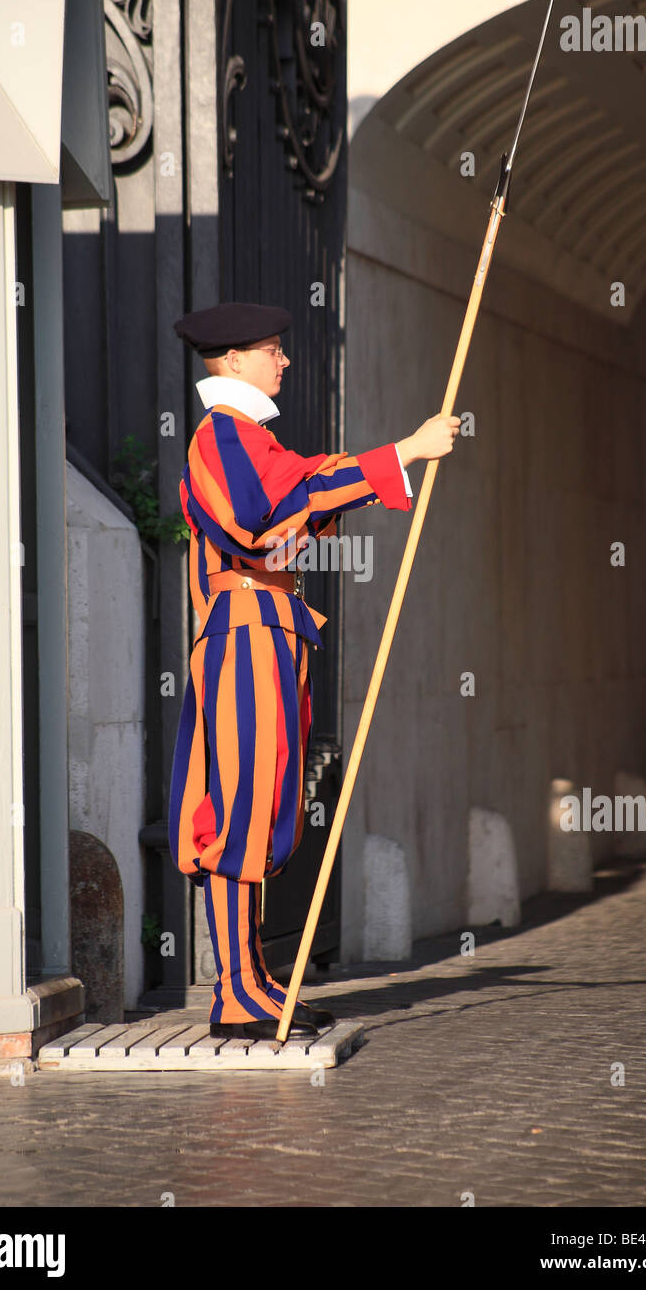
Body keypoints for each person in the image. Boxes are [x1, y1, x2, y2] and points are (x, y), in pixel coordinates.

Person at [168, 302, 460, 1039]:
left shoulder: (250, 440)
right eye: (271, 349)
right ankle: (235, 993)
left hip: (268, 630)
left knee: (264, 808)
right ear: (232, 360)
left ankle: (254, 978)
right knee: (240, 812)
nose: (284, 360)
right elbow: (263, 516)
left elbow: (309, 485)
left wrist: (396, 460)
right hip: (244, 633)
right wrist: (400, 455)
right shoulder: (222, 438)